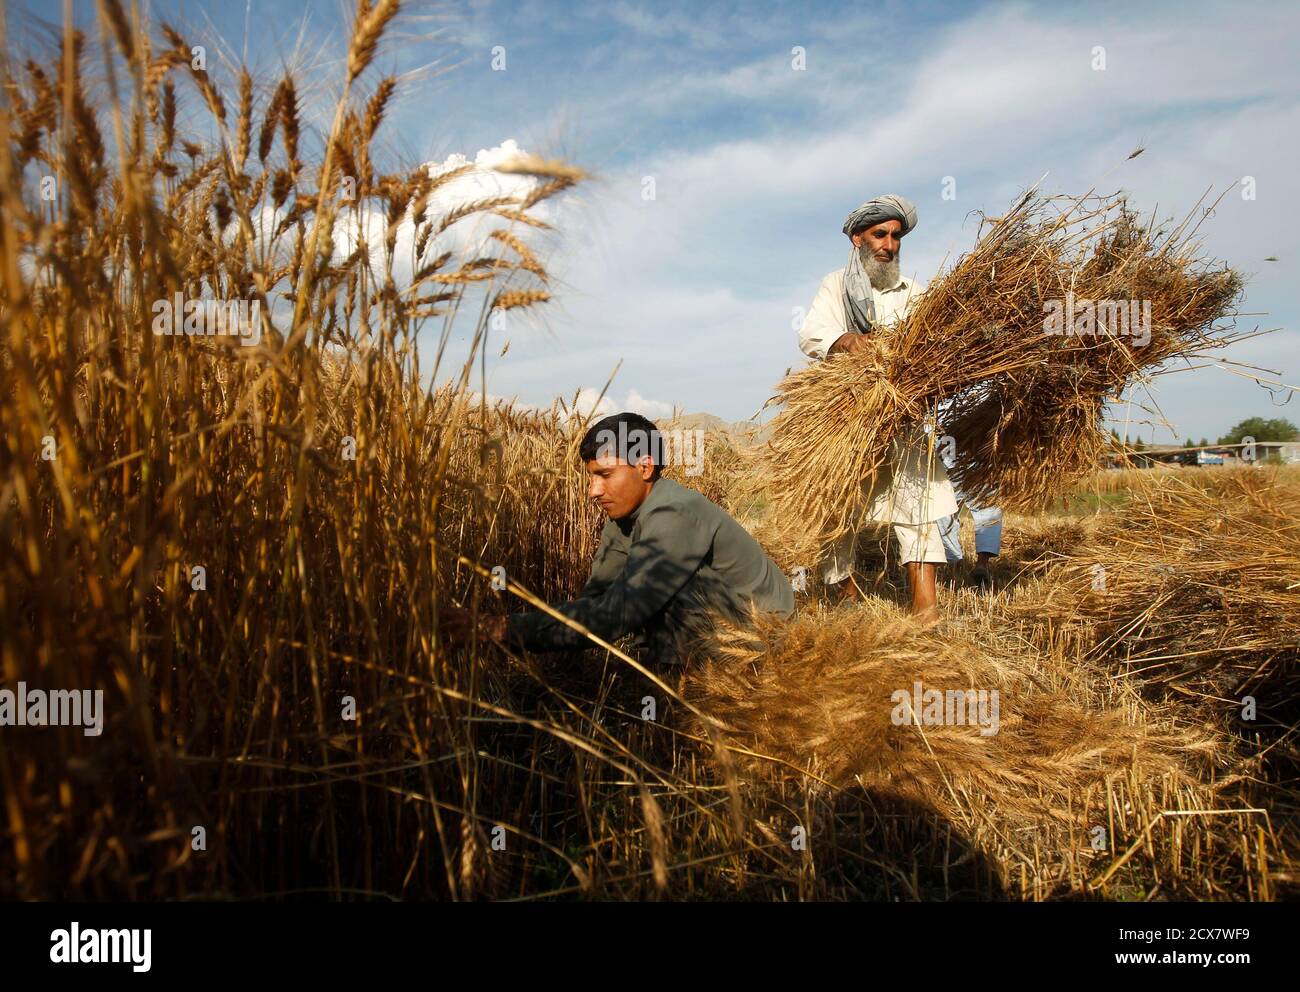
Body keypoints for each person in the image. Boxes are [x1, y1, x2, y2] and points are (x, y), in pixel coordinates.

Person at [438, 412, 795, 666]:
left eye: (605, 475)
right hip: (730, 633)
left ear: (645, 467)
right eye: (591, 477)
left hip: (763, 640)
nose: (593, 491)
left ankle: (680, 675)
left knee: (656, 589)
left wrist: (500, 629)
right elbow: (596, 599)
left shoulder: (674, 513)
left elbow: (616, 615)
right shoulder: (623, 517)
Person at [797, 193, 957, 620]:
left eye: (895, 236)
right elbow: (812, 332)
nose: (889, 244)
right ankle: (845, 596)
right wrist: (849, 341)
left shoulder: (915, 293)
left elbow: (936, 346)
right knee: (839, 507)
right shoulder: (836, 285)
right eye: (879, 234)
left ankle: (926, 609)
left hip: (904, 418)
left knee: (918, 505)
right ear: (857, 239)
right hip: (848, 416)